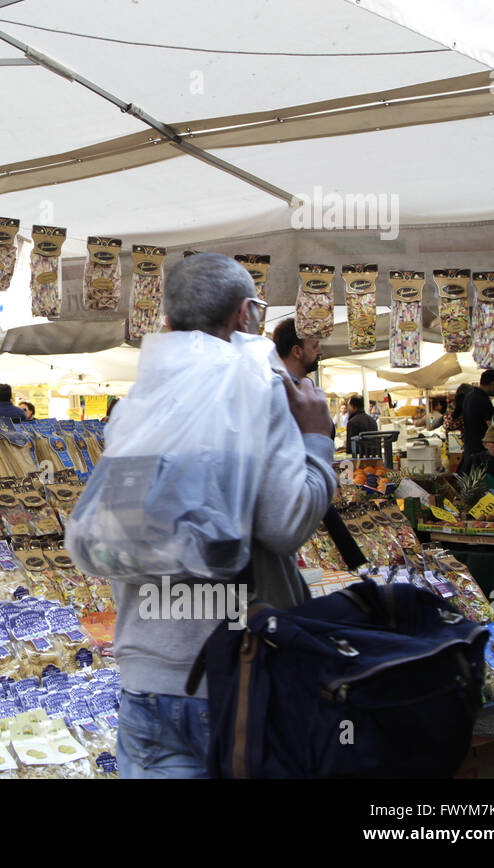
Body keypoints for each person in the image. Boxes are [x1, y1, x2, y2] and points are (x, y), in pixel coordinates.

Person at [110, 253, 335, 779]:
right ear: (243, 316)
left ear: (166, 323)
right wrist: (318, 442)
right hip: (236, 677)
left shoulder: (133, 407)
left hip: (145, 677)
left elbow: (119, 534)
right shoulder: (260, 394)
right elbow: (286, 525)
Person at [461, 369, 494, 459]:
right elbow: (491, 427)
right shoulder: (482, 399)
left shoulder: (470, 396)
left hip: (470, 447)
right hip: (481, 449)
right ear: (493, 384)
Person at [272, 318, 322, 382]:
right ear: (297, 352)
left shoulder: (305, 385)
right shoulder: (277, 387)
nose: (321, 352)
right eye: (315, 346)